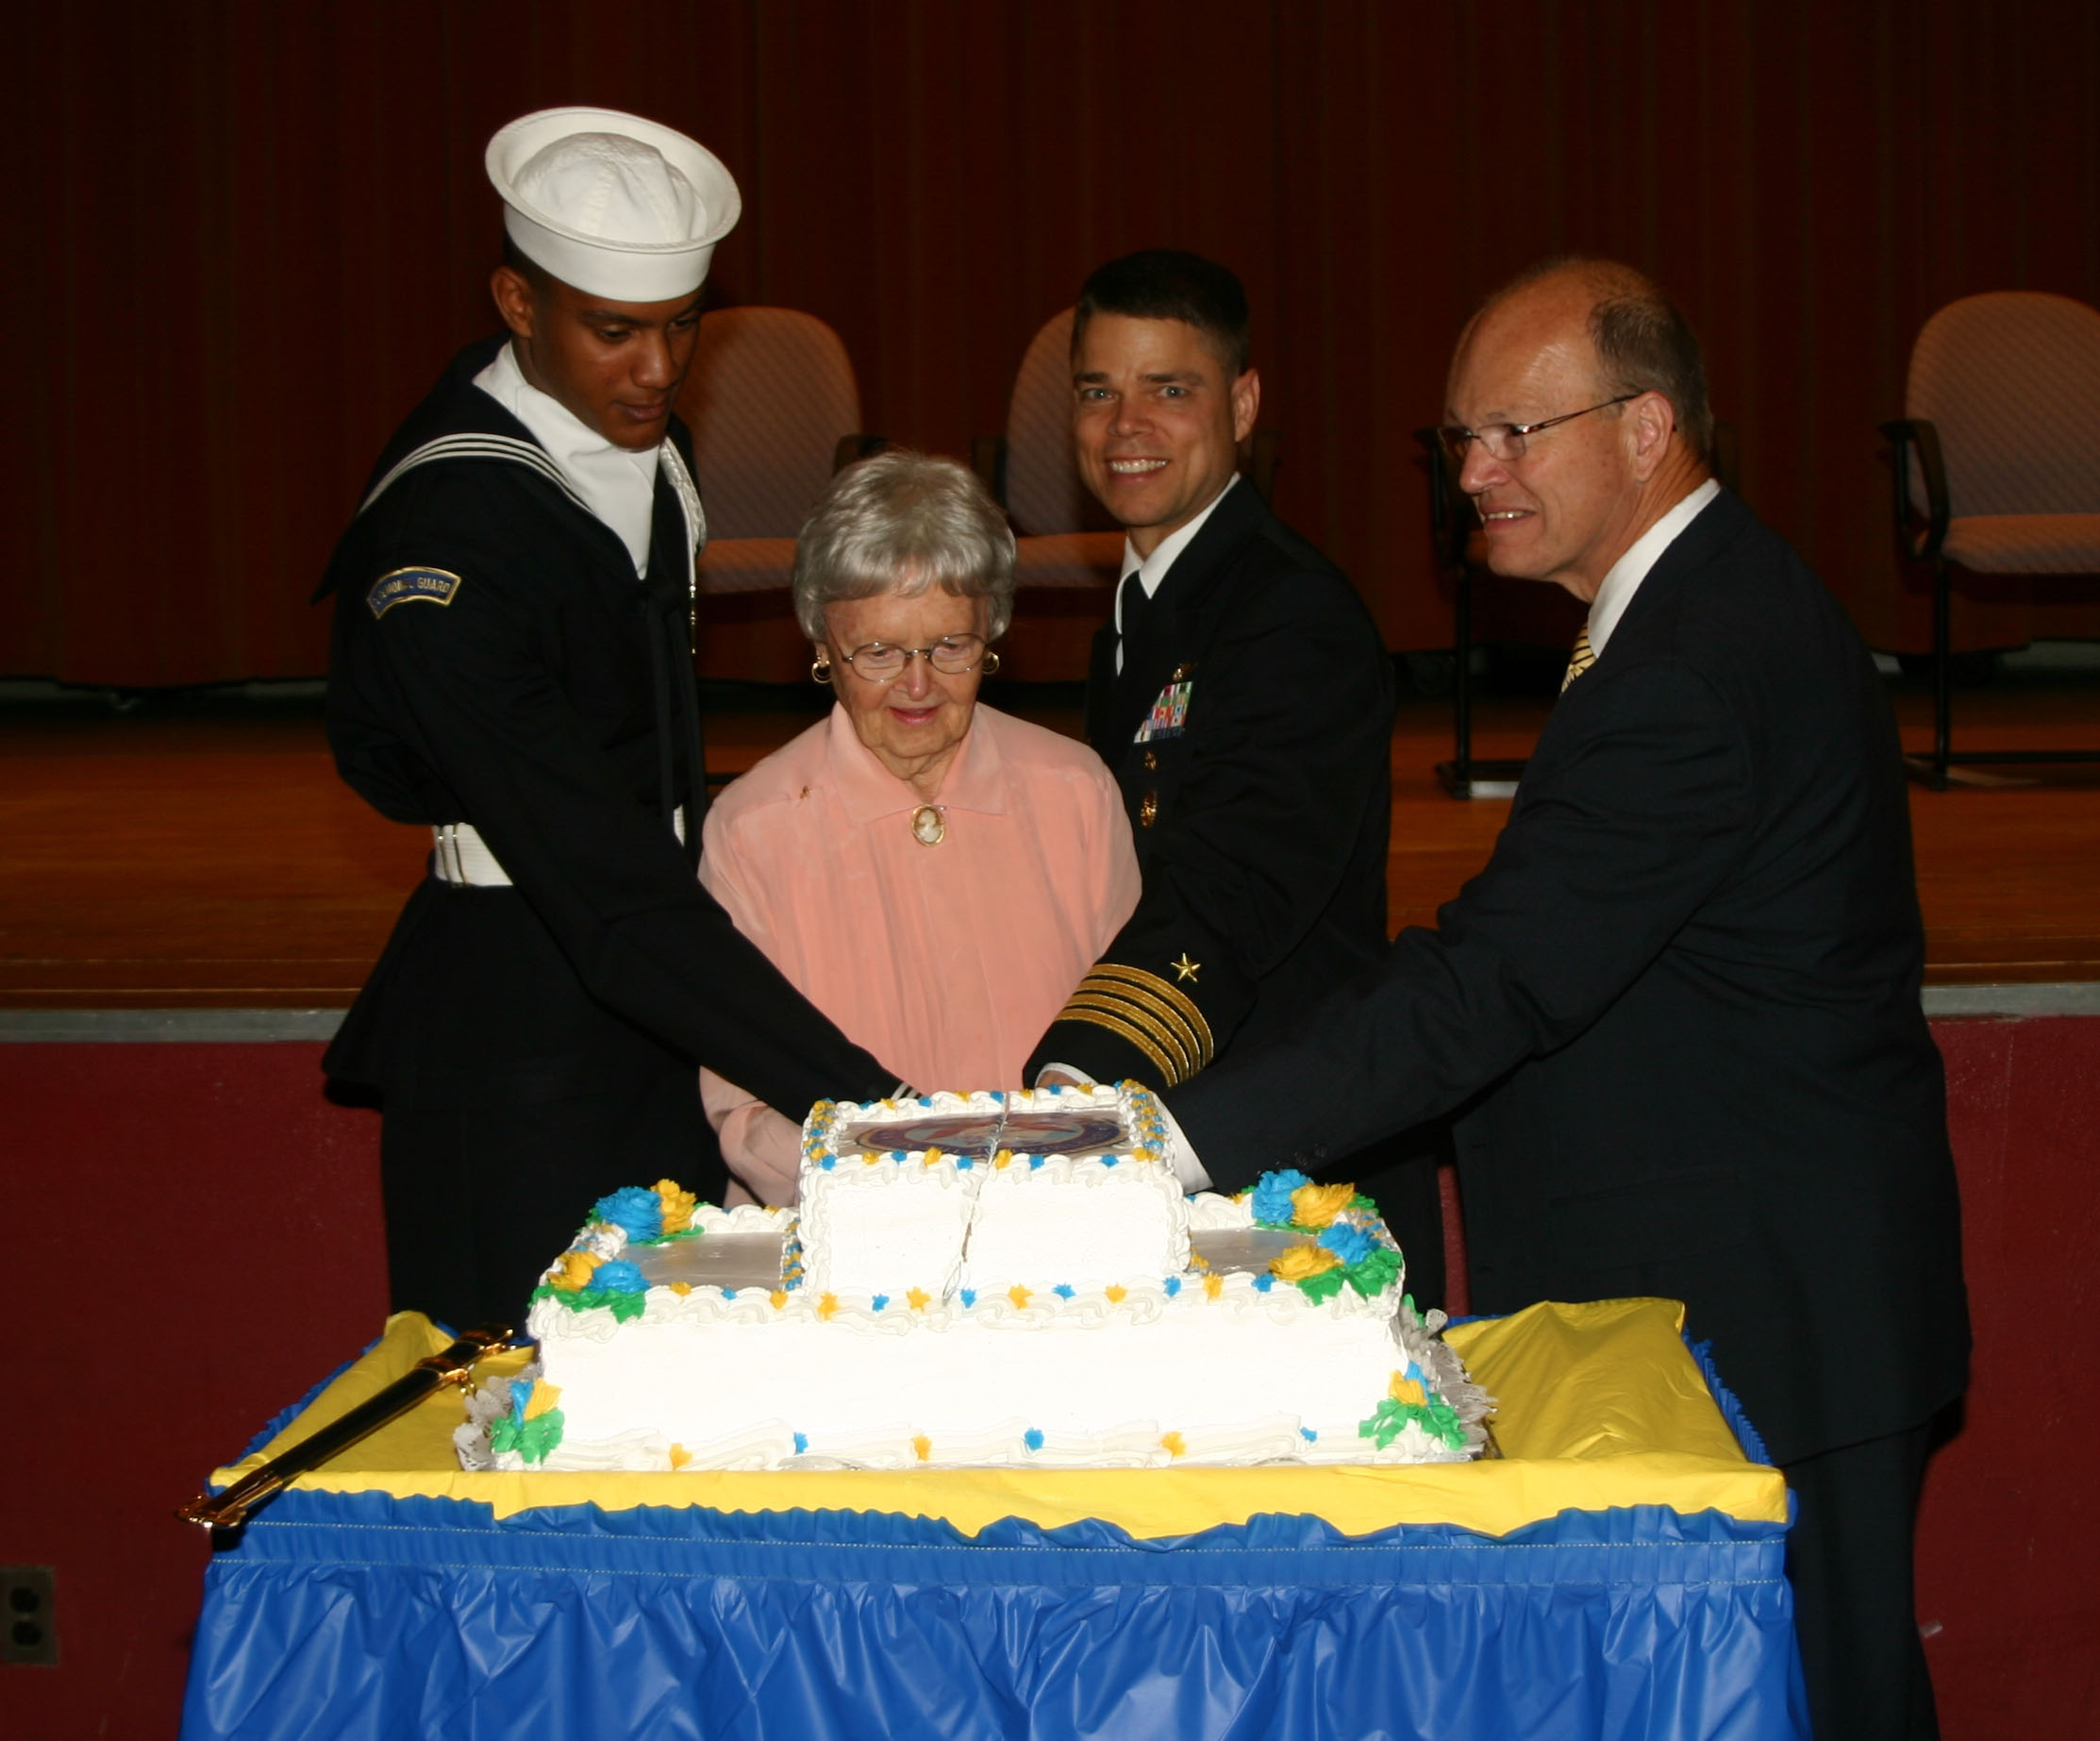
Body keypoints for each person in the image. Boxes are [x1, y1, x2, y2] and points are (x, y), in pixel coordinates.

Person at [1163, 258, 1969, 1739]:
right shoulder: (1698, 609)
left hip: (1767, 1307)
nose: (1473, 473)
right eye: (1457, 440)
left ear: (1647, 426)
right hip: (1757, 1278)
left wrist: (1168, 1149)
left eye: (1514, 434)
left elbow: (1493, 981)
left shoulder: (1692, 663)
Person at [319, 108, 896, 1330]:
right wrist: (867, 1104)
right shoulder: (450, 536)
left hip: (651, 979)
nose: (657, 370)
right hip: (519, 1012)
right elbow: (592, 873)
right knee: (526, 1387)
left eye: (680, 328)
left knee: (681, 1383)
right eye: (614, 331)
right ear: (517, 304)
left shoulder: (644, 444)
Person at [1021, 249, 1444, 1301]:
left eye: (1171, 389)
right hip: (1187, 1138)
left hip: (1283, 1173)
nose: (1128, 426)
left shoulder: (1289, 615)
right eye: (1098, 391)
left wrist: (1080, 1080)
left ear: (1243, 405)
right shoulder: (1140, 612)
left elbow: (1234, 885)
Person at [698, 451, 1141, 1202]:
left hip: (1065, 1219)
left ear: (991, 629)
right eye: (877, 651)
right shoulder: (753, 829)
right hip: (845, 1243)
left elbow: (1132, 1048)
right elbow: (745, 1111)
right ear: (822, 646)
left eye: (950, 646)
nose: (916, 683)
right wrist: (904, 1203)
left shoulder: (1077, 791)